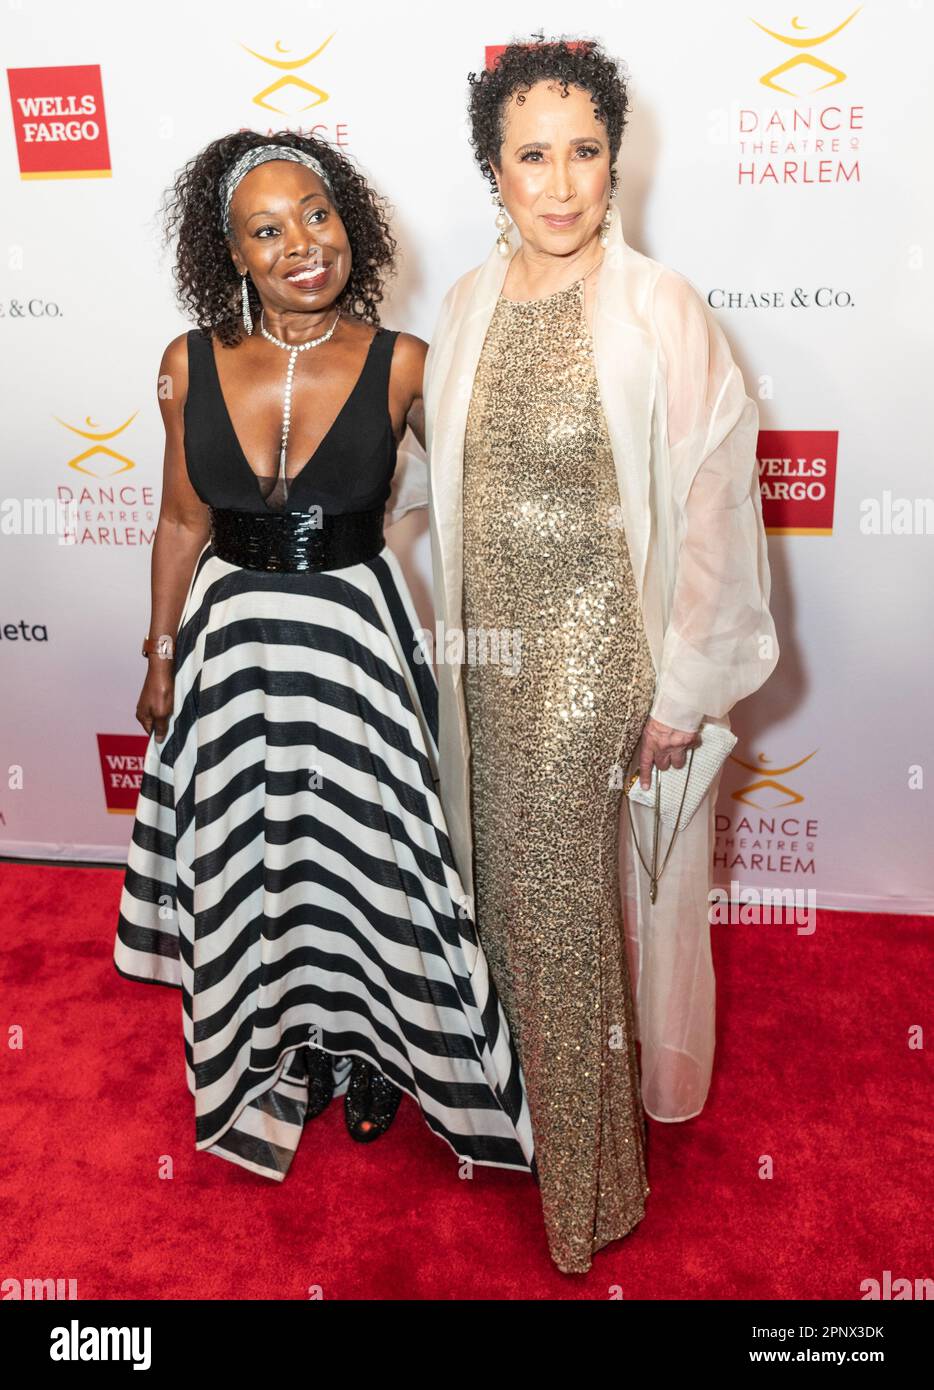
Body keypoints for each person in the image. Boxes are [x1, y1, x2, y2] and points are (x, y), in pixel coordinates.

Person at [113, 131, 534, 1184]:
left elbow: (495, 502)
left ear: (349, 217)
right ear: (233, 255)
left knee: (369, 860)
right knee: (257, 854)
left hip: (353, 649)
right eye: (267, 228)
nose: (301, 242)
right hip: (230, 651)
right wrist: (162, 659)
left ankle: (373, 1047)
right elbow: (177, 525)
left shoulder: (404, 364)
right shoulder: (185, 363)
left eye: (316, 212)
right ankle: (279, 1043)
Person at [423, 37, 779, 1272]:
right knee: (508, 903)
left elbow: (712, 500)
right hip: (484, 665)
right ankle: (522, 1114)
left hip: (596, 665)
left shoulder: (657, 305)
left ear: (614, 159)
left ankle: (590, 1189)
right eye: (534, 155)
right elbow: (438, 493)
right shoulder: (464, 306)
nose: (562, 182)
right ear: (493, 168)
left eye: (584, 151)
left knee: (567, 909)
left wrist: (683, 685)